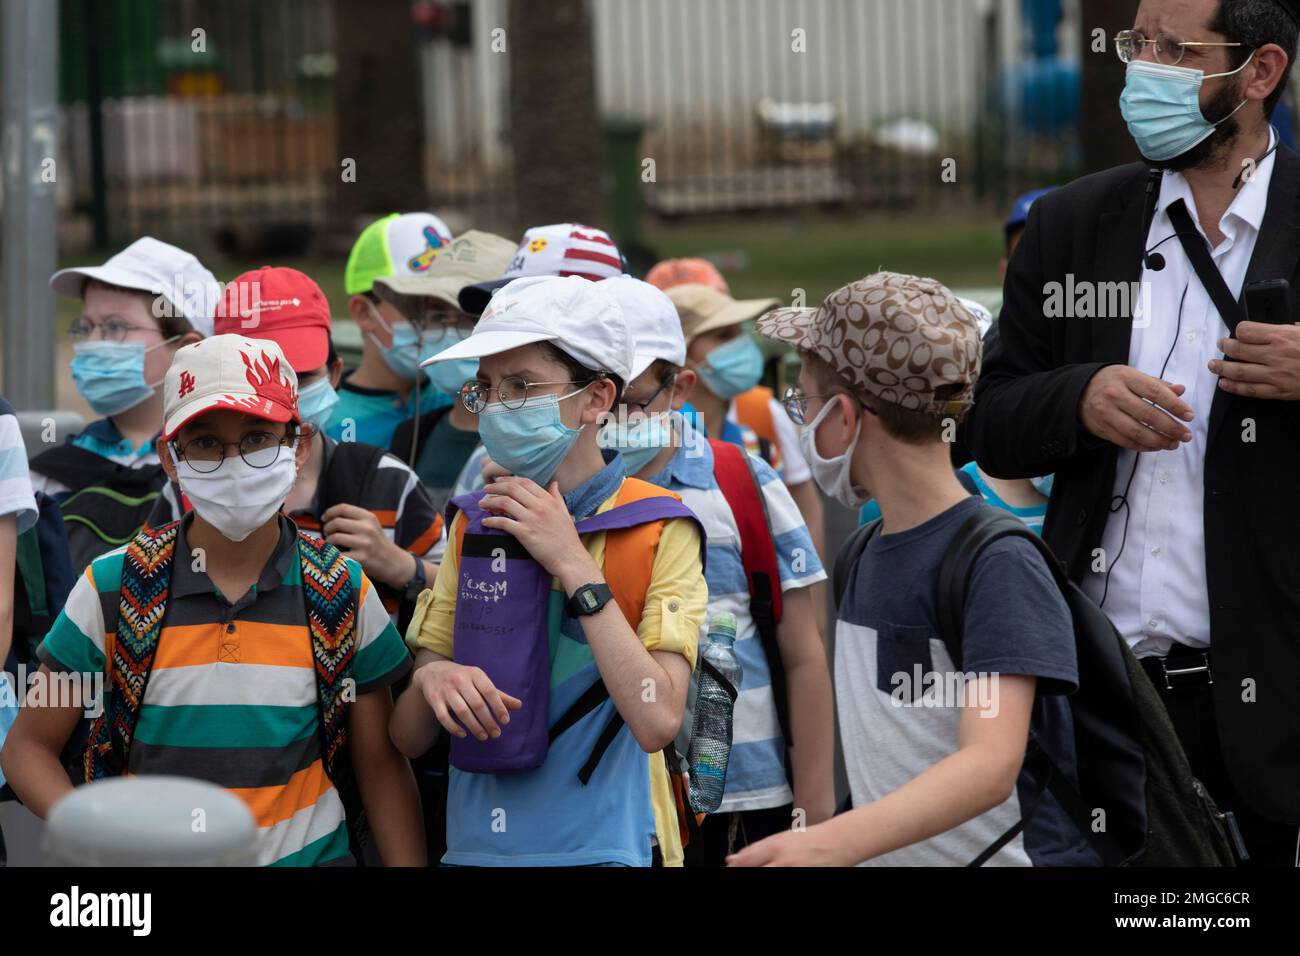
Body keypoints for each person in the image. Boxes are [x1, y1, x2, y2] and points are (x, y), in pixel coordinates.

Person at [964, 0, 1300, 866]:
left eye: (1175, 50)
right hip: (1098, 699)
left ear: (1259, 73)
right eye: (1136, 43)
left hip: (1269, 708)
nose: (1141, 69)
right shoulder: (1073, 223)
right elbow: (988, 421)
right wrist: (1076, 398)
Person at [1, 334, 423, 866]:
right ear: (169, 460)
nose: (234, 463)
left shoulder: (341, 589)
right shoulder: (111, 589)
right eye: (203, 444)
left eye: (257, 439)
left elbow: (380, 768)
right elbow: (27, 748)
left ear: (300, 447)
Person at [730, 273, 1094, 867]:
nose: (799, 419)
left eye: (803, 403)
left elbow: (989, 766)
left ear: (845, 418)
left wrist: (827, 843)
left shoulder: (996, 563)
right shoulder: (863, 550)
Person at [390, 276, 708, 867]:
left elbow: (657, 717)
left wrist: (570, 558)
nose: (499, 404)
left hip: (608, 850)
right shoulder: (473, 523)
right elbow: (408, 736)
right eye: (487, 387)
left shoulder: (662, 525)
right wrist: (430, 682)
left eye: (523, 386)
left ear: (597, 399)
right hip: (475, 851)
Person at [596, 276, 836, 863]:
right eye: (602, 396)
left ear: (680, 387)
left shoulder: (742, 480)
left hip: (744, 803)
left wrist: (816, 812)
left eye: (635, 399)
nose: (616, 417)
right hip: (614, 808)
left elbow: (804, 651)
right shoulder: (565, 495)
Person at [214, 267, 442, 626]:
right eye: (263, 379)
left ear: (335, 374)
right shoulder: (192, 487)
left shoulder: (388, 483)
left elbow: (467, 599)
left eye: (301, 377)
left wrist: (398, 564)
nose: (285, 398)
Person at [29, 237, 218, 569]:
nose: (92, 342)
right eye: (85, 326)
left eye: (116, 326)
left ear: (187, 349)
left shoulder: (217, 470)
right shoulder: (47, 478)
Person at [445, 223, 629, 499]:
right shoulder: (475, 498)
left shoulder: (655, 515)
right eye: (484, 387)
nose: (494, 408)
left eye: (521, 386)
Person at [663, 282, 825, 571]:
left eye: (740, 332)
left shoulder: (757, 444)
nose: (743, 344)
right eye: (724, 335)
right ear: (681, 352)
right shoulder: (652, 448)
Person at [382, 230, 519, 515]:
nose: (450, 333)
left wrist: (403, 563)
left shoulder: (532, 444)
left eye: (471, 317)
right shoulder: (411, 436)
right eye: (438, 317)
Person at [325, 211, 455, 449]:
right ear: (364, 313)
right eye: (416, 304)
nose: (440, 320)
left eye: (448, 301)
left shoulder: (464, 396)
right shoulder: (326, 422)